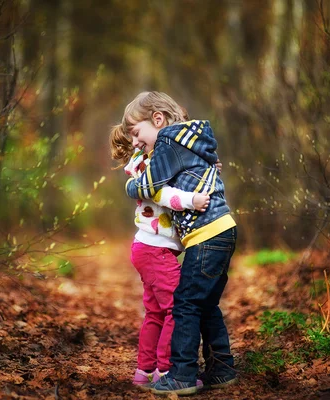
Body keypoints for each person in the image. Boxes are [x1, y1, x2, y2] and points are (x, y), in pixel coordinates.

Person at [121, 91, 238, 396]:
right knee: (206, 304)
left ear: (157, 119)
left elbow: (149, 185)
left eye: (136, 133)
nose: (134, 142)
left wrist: (131, 185)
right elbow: (206, 169)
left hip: (206, 233)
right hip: (223, 229)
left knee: (183, 303)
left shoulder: (168, 142)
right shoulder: (189, 140)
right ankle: (222, 368)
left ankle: (181, 373)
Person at [109, 112, 210, 390]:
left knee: (155, 313)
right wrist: (193, 200)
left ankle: (144, 370)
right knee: (176, 309)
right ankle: (166, 369)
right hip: (154, 249)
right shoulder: (148, 164)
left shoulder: (150, 160)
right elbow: (161, 194)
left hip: (147, 248)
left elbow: (182, 177)